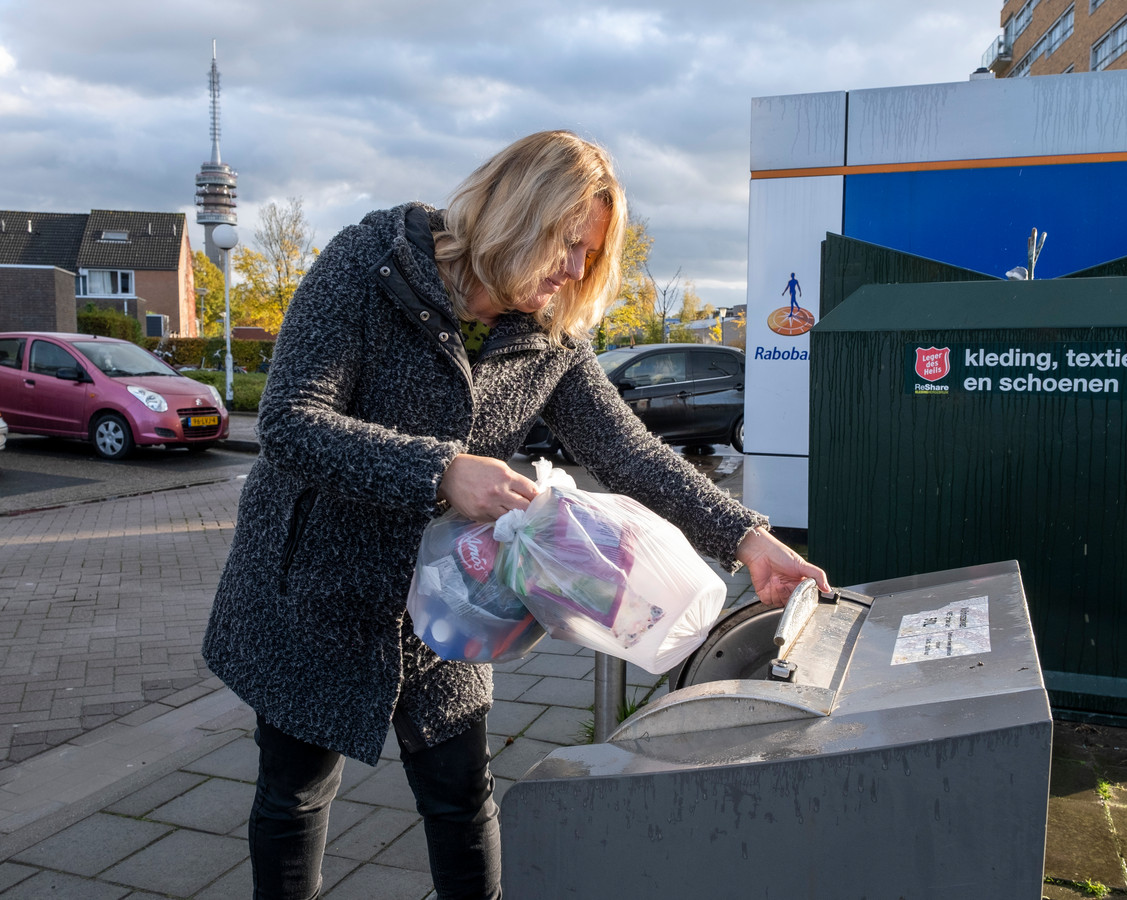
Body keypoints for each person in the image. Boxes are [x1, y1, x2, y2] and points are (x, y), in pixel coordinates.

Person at [202, 130, 830, 900]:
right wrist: (440, 471)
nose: (575, 270)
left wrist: (748, 538)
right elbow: (289, 422)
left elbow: (627, 452)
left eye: (589, 255)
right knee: (295, 792)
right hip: (317, 588)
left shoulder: (547, 335)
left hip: (452, 597)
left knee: (461, 796)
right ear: (515, 215)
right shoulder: (370, 264)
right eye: (567, 243)